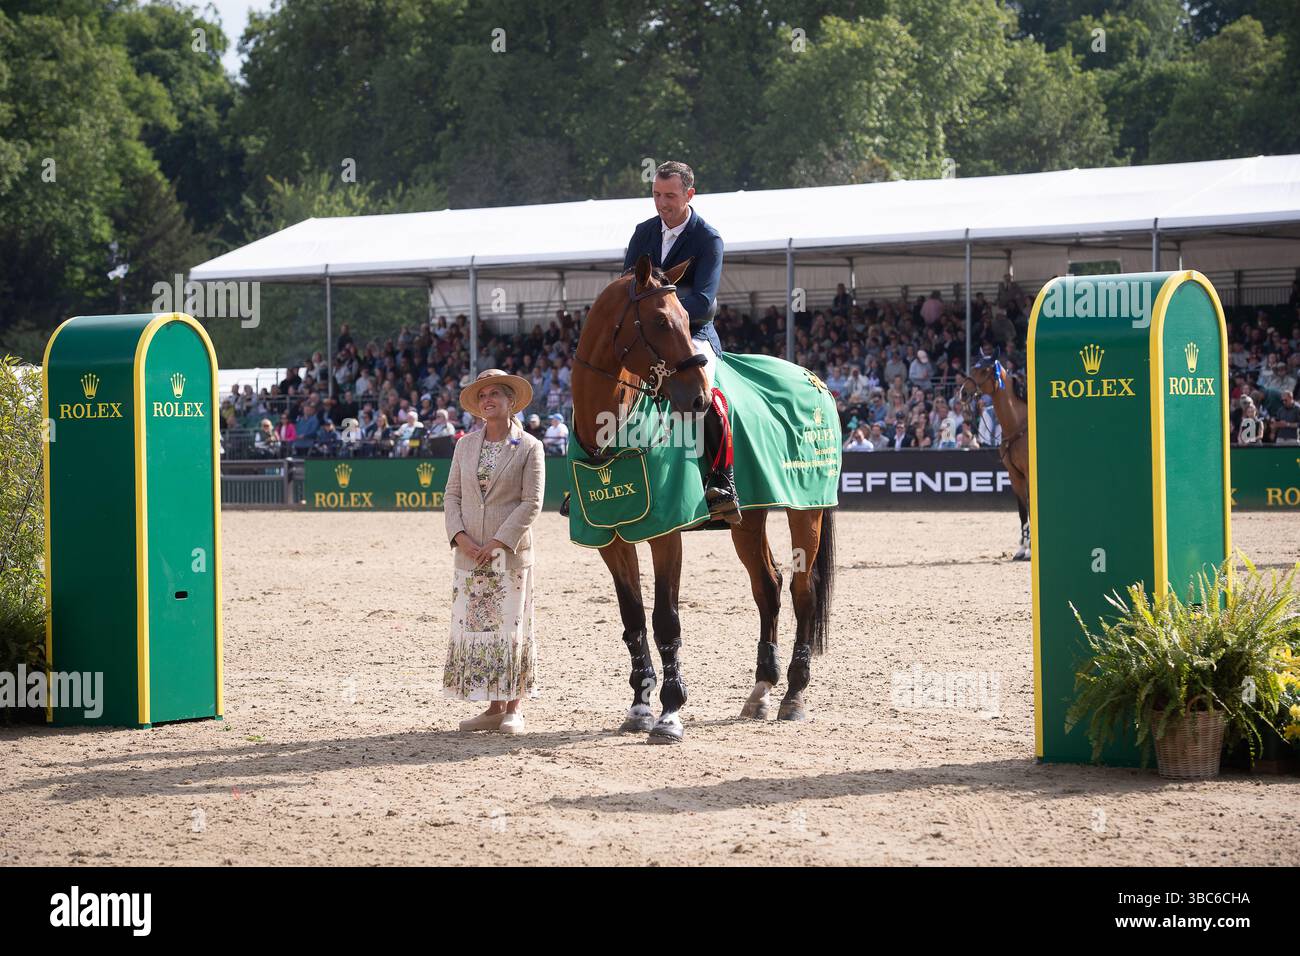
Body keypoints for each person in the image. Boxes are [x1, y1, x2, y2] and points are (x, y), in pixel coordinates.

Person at [622, 160, 737, 524]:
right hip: (648, 335)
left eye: (669, 196)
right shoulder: (643, 233)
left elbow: (704, 301)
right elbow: (628, 285)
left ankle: (722, 481)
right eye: (656, 194)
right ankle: (596, 475)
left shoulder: (707, 238)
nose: (661, 203)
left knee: (705, 393)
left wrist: (662, 315)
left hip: (695, 334)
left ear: (690, 194)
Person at [443, 369, 545, 734]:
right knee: (479, 630)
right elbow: (452, 495)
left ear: (510, 401)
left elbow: (532, 502)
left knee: (511, 627)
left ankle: (514, 708)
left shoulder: (530, 446)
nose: (489, 400)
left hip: (509, 554)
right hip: (469, 555)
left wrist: (498, 541)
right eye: (483, 395)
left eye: (496, 394)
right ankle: (492, 707)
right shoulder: (464, 445)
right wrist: (460, 537)